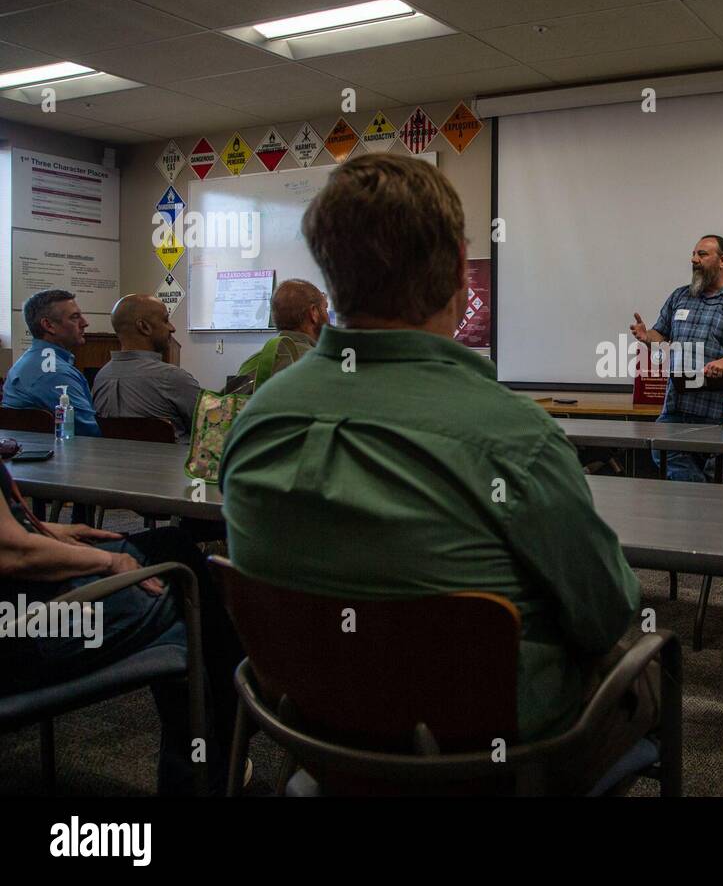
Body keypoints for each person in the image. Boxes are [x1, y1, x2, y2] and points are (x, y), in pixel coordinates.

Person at [220, 153, 646, 791]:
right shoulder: (516, 437)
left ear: (330, 275)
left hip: (320, 739)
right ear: (457, 275)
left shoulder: (255, 420)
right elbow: (608, 611)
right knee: (647, 664)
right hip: (489, 761)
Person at [0, 459, 239, 794]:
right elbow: (12, 554)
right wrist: (110, 560)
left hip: (20, 611)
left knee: (171, 549)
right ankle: (220, 750)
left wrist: (49, 531)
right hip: (20, 633)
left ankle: (217, 752)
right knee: (184, 596)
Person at [629, 235, 723, 482]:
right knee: (661, 450)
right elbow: (660, 333)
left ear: (722, 261)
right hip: (678, 407)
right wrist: (646, 336)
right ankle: (700, 498)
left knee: (718, 479)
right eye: (694, 254)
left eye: (702, 254)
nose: (694, 259)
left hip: (721, 413)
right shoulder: (681, 296)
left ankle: (703, 501)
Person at [92, 294, 201, 442]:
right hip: (171, 463)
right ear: (144, 327)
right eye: (165, 320)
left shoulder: (101, 377)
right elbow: (211, 430)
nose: (172, 328)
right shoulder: (173, 378)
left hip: (114, 464)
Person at [4, 290, 100, 436]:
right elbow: (91, 433)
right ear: (49, 325)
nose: (85, 323)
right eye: (75, 317)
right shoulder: (54, 374)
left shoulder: (30, 361)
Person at [234, 279, 328, 384]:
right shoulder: (324, 366)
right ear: (314, 313)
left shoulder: (250, 364)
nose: (327, 316)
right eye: (325, 308)